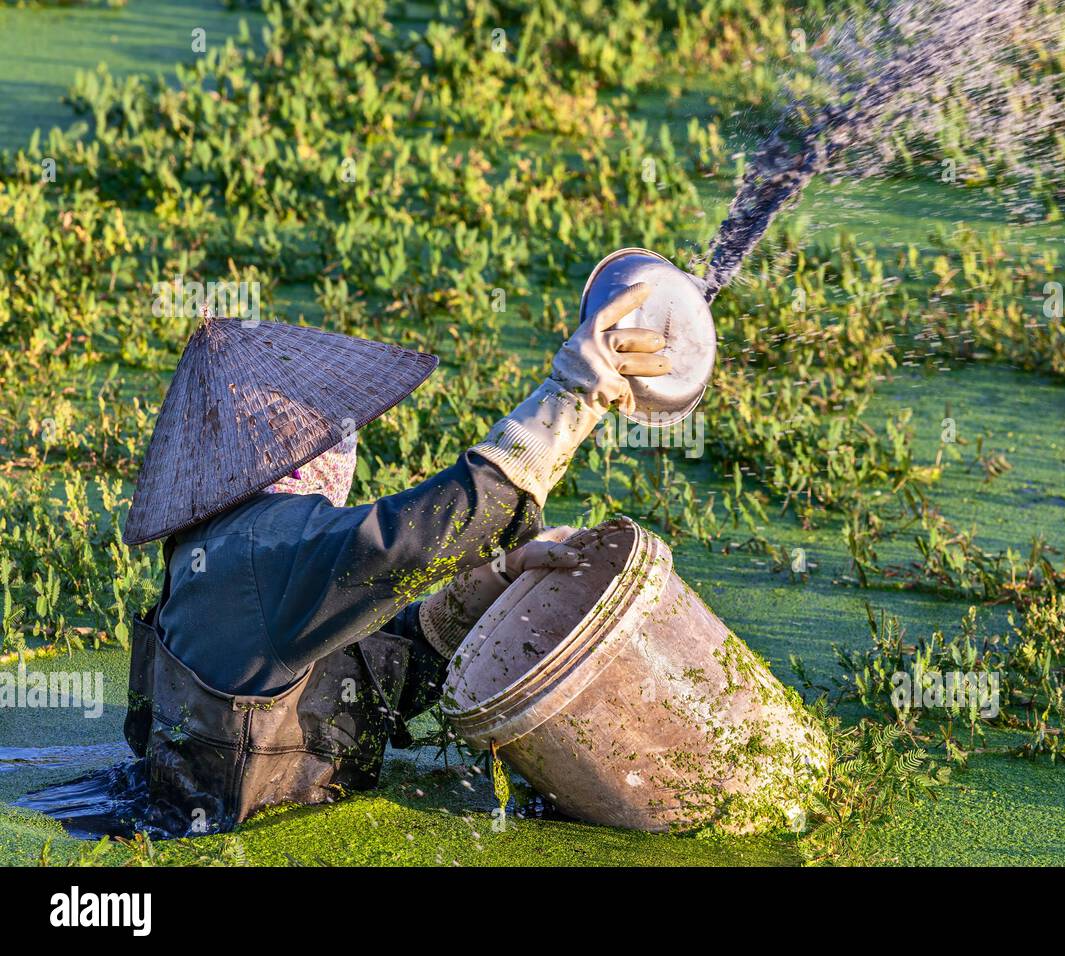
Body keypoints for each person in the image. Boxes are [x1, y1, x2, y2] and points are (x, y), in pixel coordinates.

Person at [35, 282, 668, 837]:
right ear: (301, 448)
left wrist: (499, 575)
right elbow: (412, 539)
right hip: (227, 842)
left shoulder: (222, 543)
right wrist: (567, 397)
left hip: (166, 818)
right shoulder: (271, 545)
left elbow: (377, 671)